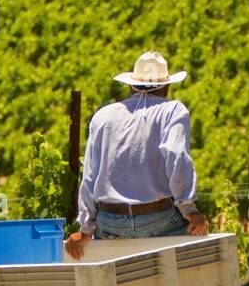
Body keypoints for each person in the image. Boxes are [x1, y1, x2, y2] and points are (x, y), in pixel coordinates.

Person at [65, 51, 208, 259]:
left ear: (131, 85)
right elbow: (176, 157)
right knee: (194, 250)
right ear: (167, 87)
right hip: (159, 219)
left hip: (110, 222)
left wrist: (86, 228)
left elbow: (89, 176)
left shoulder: (102, 116)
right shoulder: (173, 110)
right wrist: (189, 210)